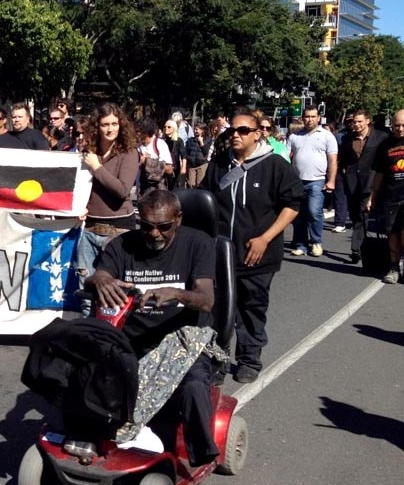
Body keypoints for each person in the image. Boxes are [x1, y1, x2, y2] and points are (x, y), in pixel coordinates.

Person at [85, 190, 219, 466]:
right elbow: (99, 275)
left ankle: (200, 457)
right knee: (85, 374)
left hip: (184, 342)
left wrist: (177, 294)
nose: (155, 234)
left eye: (164, 226)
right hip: (132, 341)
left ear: (178, 219)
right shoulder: (122, 245)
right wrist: (100, 280)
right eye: (147, 226)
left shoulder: (198, 243)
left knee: (193, 386)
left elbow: (206, 300)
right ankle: (91, 441)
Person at [202, 109, 302, 384]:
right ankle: (217, 361)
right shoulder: (220, 164)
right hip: (222, 254)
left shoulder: (275, 165)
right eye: (232, 130)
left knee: (251, 309)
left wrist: (265, 238)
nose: (236, 135)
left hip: (258, 255)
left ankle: (249, 360)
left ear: (257, 134)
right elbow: (206, 200)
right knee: (219, 311)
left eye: (243, 130)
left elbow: (292, 206)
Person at [75, 103, 140, 315]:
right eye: (105, 124)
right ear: (97, 126)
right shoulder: (89, 152)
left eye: (114, 124)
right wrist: (79, 206)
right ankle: (88, 331)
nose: (110, 129)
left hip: (118, 230)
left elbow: (122, 190)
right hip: (89, 228)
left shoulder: (129, 152)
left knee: (115, 294)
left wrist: (97, 167)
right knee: (86, 292)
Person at [336, 109, 387, 263]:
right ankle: (361, 247)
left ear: (367, 121)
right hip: (352, 182)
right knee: (355, 214)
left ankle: (356, 249)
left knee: (362, 214)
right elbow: (343, 158)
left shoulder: (380, 137)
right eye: (354, 122)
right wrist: (344, 170)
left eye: (359, 121)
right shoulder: (347, 138)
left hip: (371, 181)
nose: (356, 124)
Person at [288, 107, 338, 257]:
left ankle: (316, 242)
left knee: (314, 212)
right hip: (297, 182)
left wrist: (331, 181)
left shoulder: (327, 136)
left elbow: (332, 160)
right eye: (307, 116)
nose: (310, 119)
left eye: (313, 116)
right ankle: (301, 244)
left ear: (319, 118)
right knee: (298, 215)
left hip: (317, 180)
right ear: (302, 118)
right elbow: (286, 157)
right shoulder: (294, 136)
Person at [366, 109, 404, 283]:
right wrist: (372, 197)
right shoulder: (385, 145)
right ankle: (393, 268)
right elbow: (379, 173)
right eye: (397, 125)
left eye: (403, 125)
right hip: (391, 197)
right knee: (392, 234)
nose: (400, 129)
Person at [136, 119, 173, 197]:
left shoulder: (160, 144)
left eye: (138, 131)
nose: (136, 134)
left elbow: (169, 169)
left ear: (146, 132)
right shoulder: (138, 146)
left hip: (158, 189)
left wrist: (147, 162)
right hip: (142, 189)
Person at [162, 119, 187, 190]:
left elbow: (183, 155)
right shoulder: (162, 140)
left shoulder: (178, 140)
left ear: (174, 128)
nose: (166, 128)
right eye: (165, 127)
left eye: (169, 127)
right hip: (163, 167)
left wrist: (183, 167)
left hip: (175, 168)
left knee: (174, 188)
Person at [185, 122, 210, 188]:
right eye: (194, 129)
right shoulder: (190, 140)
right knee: (190, 184)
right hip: (192, 165)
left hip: (202, 164)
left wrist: (201, 142)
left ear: (202, 130)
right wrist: (189, 158)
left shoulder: (208, 140)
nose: (195, 131)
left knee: (200, 184)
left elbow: (206, 152)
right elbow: (186, 151)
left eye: (197, 129)